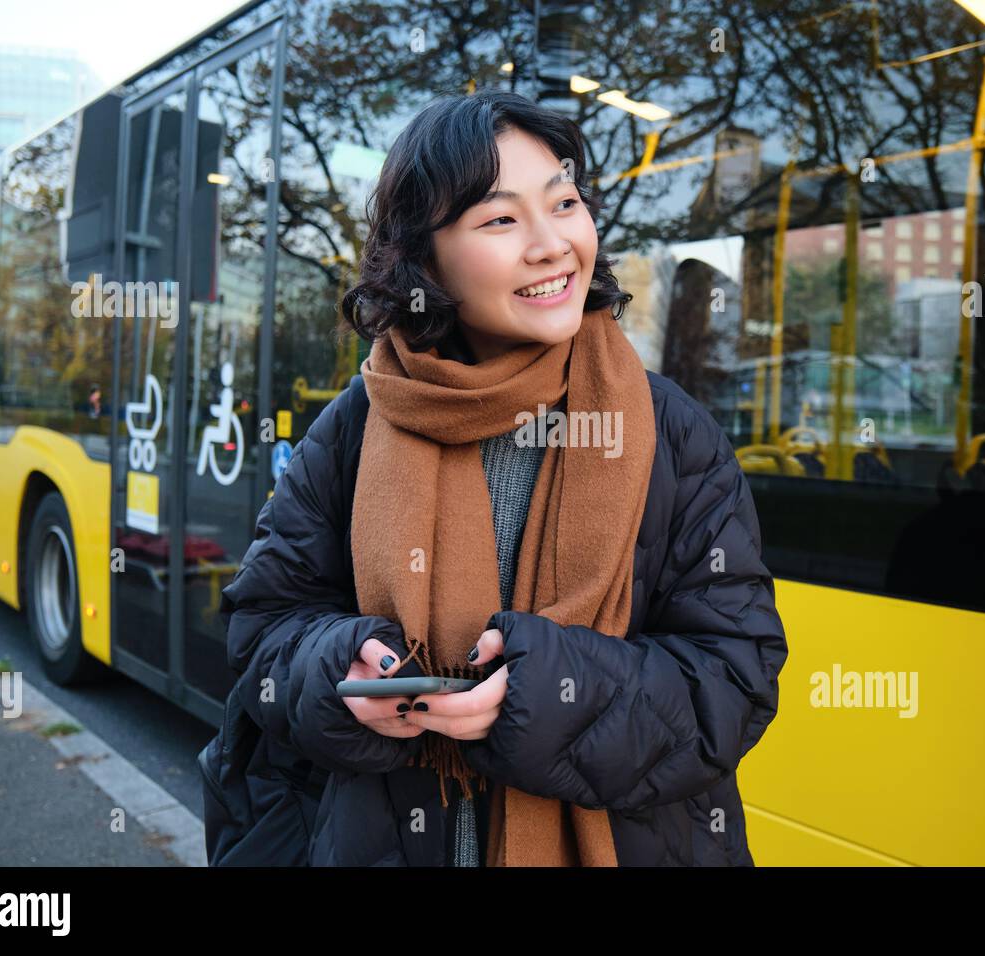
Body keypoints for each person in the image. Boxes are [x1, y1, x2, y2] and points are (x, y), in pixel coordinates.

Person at [212, 89, 787, 866]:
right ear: (424, 256)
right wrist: (338, 669)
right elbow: (263, 627)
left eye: (565, 202)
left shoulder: (670, 431)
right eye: (501, 219)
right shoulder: (358, 422)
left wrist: (544, 693)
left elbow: (732, 679)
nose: (552, 244)